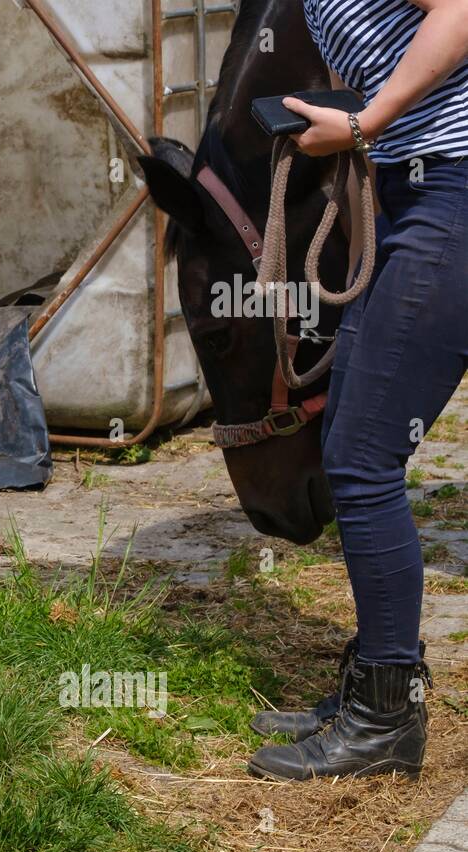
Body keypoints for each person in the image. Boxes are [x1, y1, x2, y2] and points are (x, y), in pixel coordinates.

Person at [248, 0, 468, 780]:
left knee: (363, 461)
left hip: (454, 191)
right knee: (352, 437)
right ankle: (379, 681)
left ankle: (385, 721)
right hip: (422, 190)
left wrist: (367, 122)